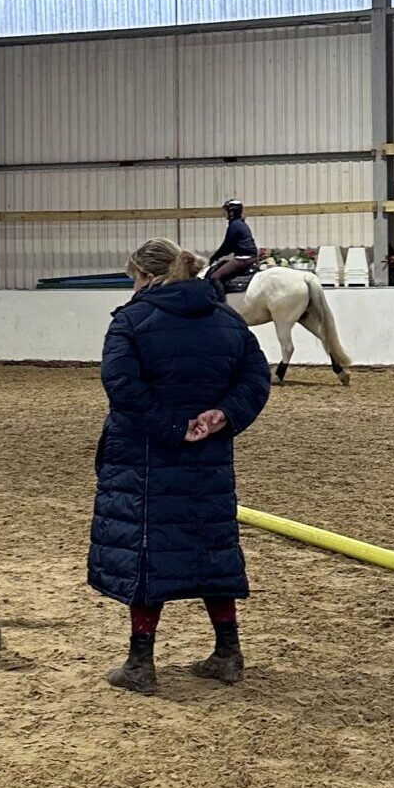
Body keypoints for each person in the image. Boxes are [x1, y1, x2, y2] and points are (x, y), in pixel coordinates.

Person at [88, 238, 272, 696]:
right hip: (210, 453)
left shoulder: (130, 321)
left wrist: (172, 427)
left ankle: (140, 662)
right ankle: (227, 652)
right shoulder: (227, 320)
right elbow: (255, 377)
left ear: (147, 276)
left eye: (133, 278)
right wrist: (224, 415)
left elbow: (122, 386)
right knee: (213, 547)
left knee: (146, 549)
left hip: (146, 454)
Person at [206, 198, 258, 291]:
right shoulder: (239, 223)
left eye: (225, 211)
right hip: (248, 257)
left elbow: (227, 246)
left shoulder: (235, 225)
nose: (224, 213)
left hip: (243, 259)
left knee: (214, 277)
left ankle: (219, 298)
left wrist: (215, 257)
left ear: (231, 212)